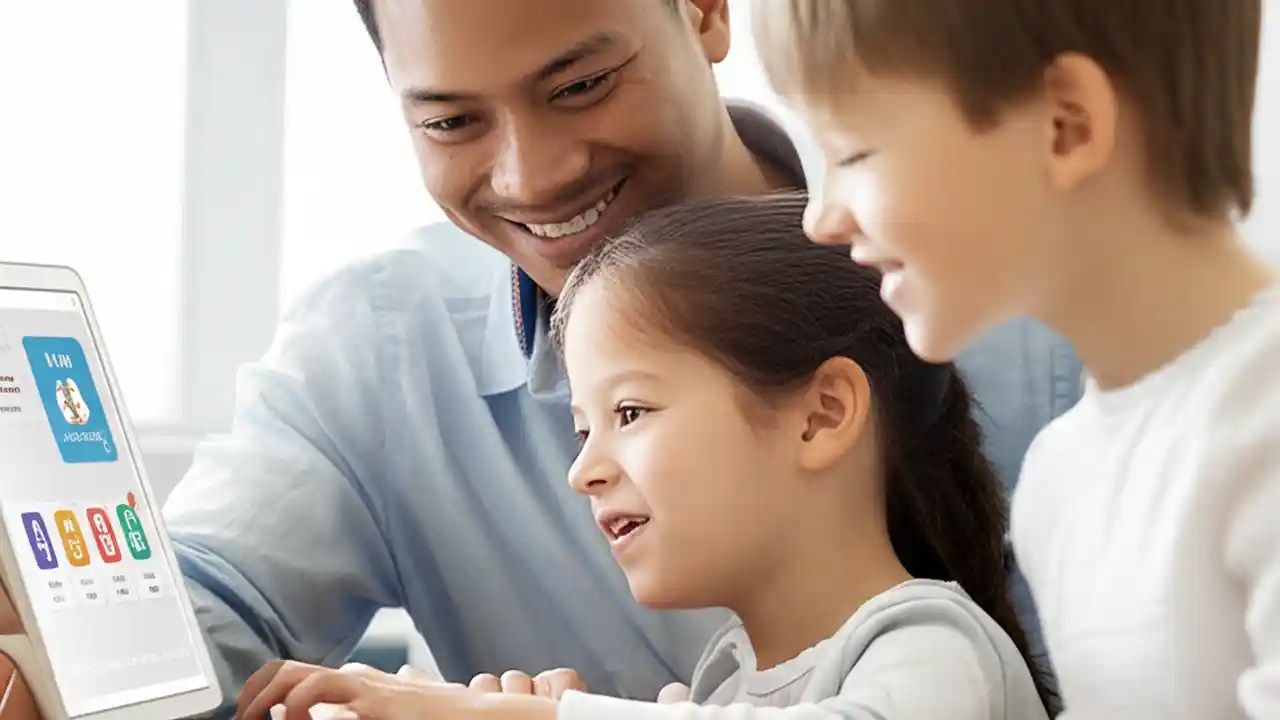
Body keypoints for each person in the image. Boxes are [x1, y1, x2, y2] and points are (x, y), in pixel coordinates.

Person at [0, 0, 1080, 714]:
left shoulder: (1034, 310)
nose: (531, 174)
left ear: (703, 11)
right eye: (451, 122)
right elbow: (192, 610)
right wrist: (44, 651)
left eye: (578, 87)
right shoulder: (374, 348)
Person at [235, 194, 1052, 720]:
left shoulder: (930, 641)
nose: (582, 470)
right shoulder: (726, 681)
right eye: (581, 427)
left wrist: (522, 719)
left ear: (822, 415)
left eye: (629, 411)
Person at [754, 1, 1279, 717]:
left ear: (1066, 126)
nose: (821, 218)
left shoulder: (1262, 431)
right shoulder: (1059, 482)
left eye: (851, 153)